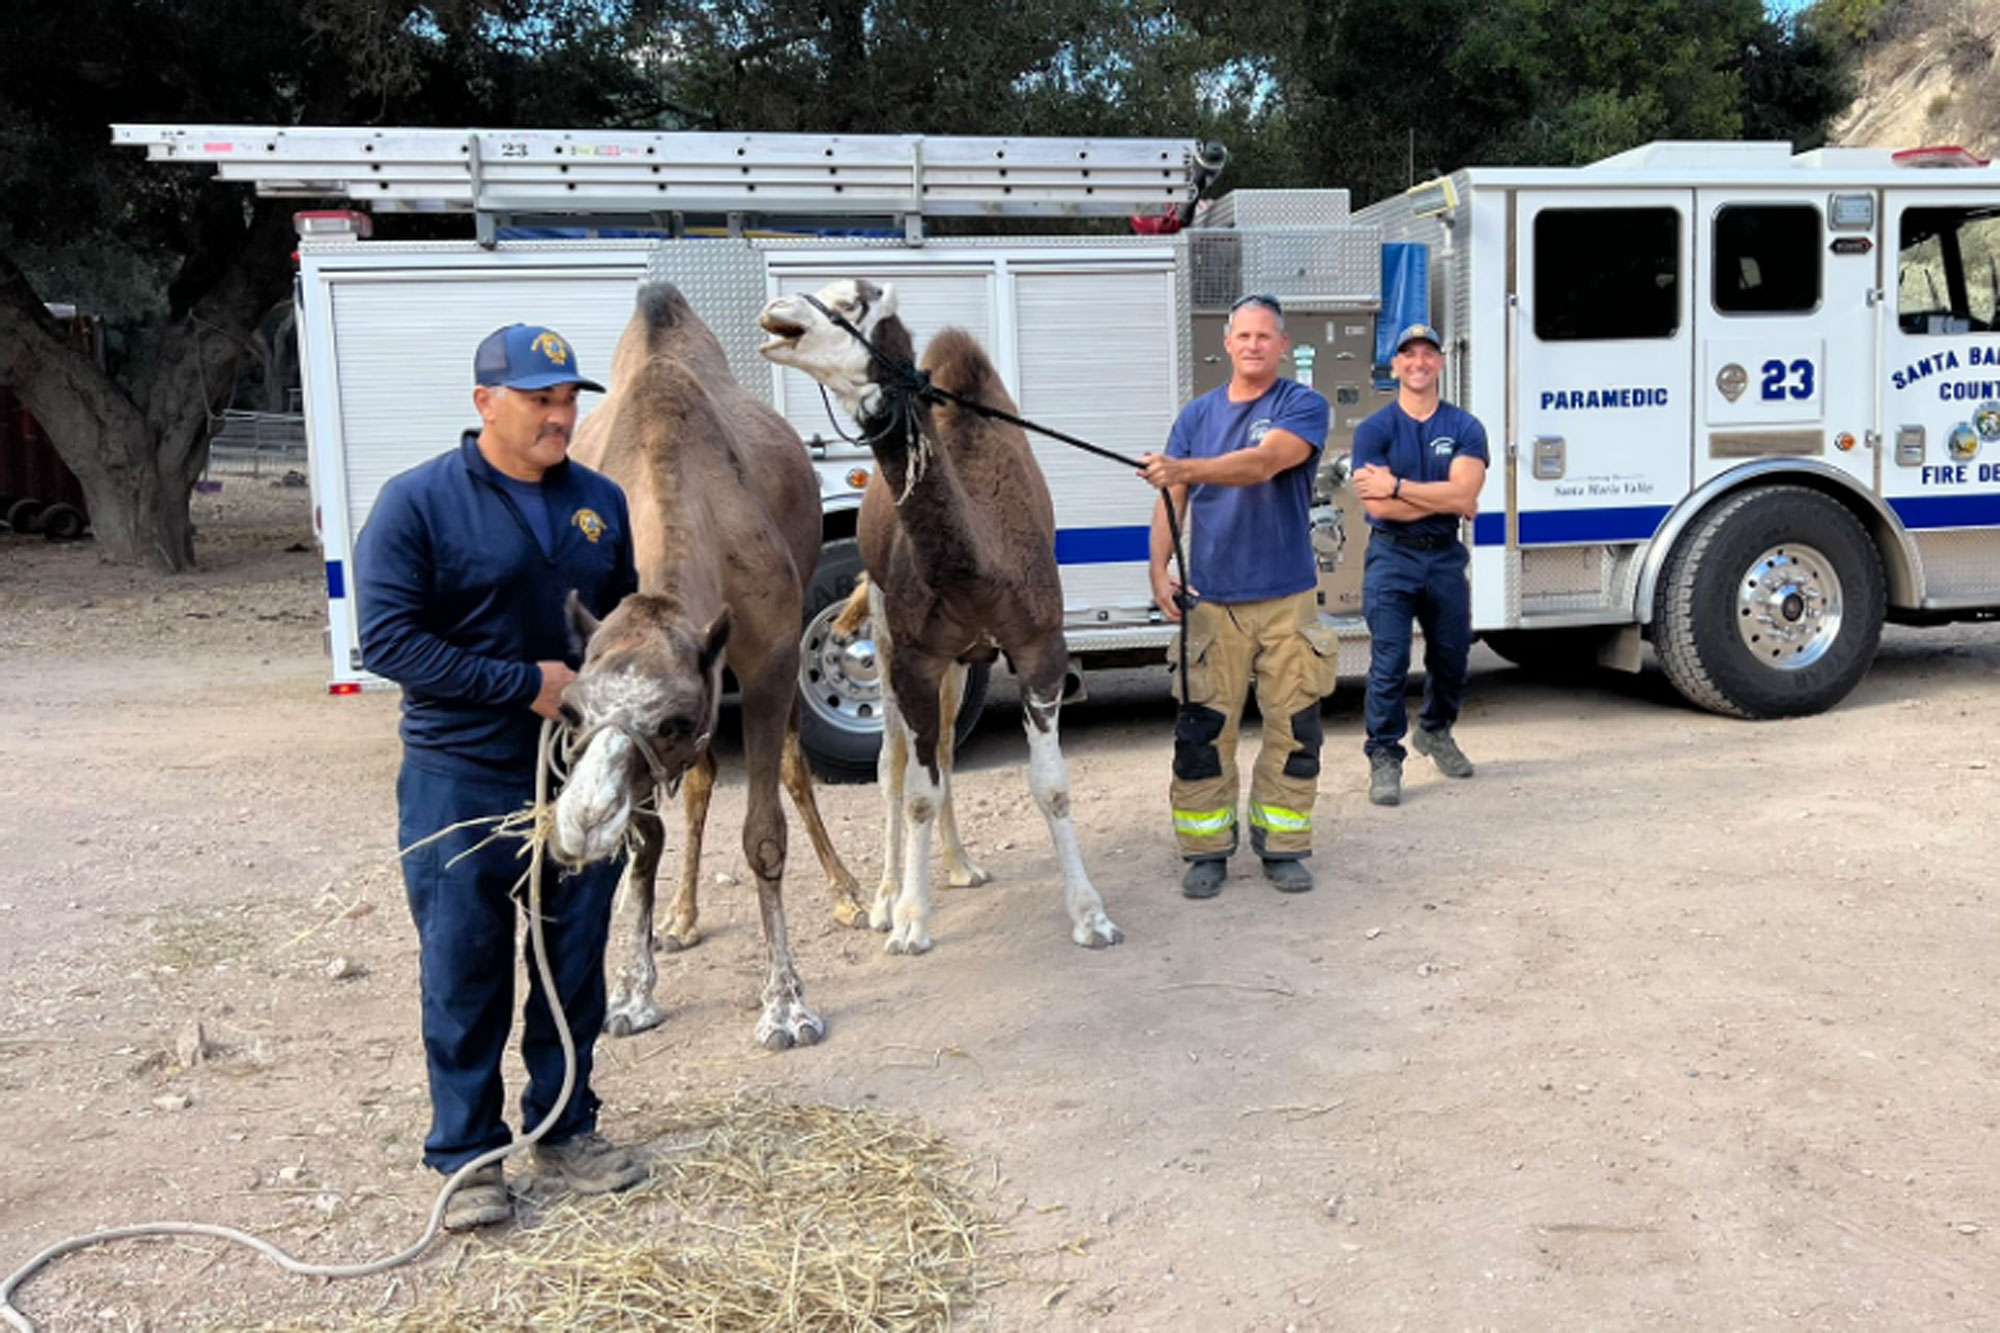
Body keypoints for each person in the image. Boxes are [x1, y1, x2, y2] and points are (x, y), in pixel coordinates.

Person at [355, 323, 642, 1232]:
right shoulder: (418, 503)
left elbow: (622, 619)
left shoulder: (600, 500)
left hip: (576, 776)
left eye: (567, 399)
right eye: (539, 400)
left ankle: (564, 1129)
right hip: (461, 776)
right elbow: (389, 643)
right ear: (485, 403)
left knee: (572, 961)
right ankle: (469, 1156)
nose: (561, 416)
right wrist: (524, 684)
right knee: (465, 964)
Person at [1139, 294, 1335, 899]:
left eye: (1264, 336)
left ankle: (1284, 847)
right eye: (1243, 335)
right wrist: (1158, 565)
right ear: (1226, 344)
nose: (1253, 345)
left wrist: (1185, 470)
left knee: (1294, 729)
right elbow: (1172, 498)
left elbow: (1263, 464)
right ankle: (1205, 851)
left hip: (1286, 600)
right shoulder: (1196, 416)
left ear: (1282, 345)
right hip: (1212, 599)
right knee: (1202, 731)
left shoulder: (1301, 405)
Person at [1349, 322, 1489, 808]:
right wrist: (1439, 498)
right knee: (1389, 662)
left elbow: (1467, 496)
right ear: (1396, 366)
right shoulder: (1375, 430)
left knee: (1452, 655)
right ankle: (1384, 755)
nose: (1419, 362)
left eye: (1428, 354)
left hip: (1445, 557)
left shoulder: (1465, 427)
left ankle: (1434, 730)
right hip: (1391, 555)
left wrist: (1398, 487)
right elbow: (1380, 509)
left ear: (1440, 363)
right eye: (1409, 355)